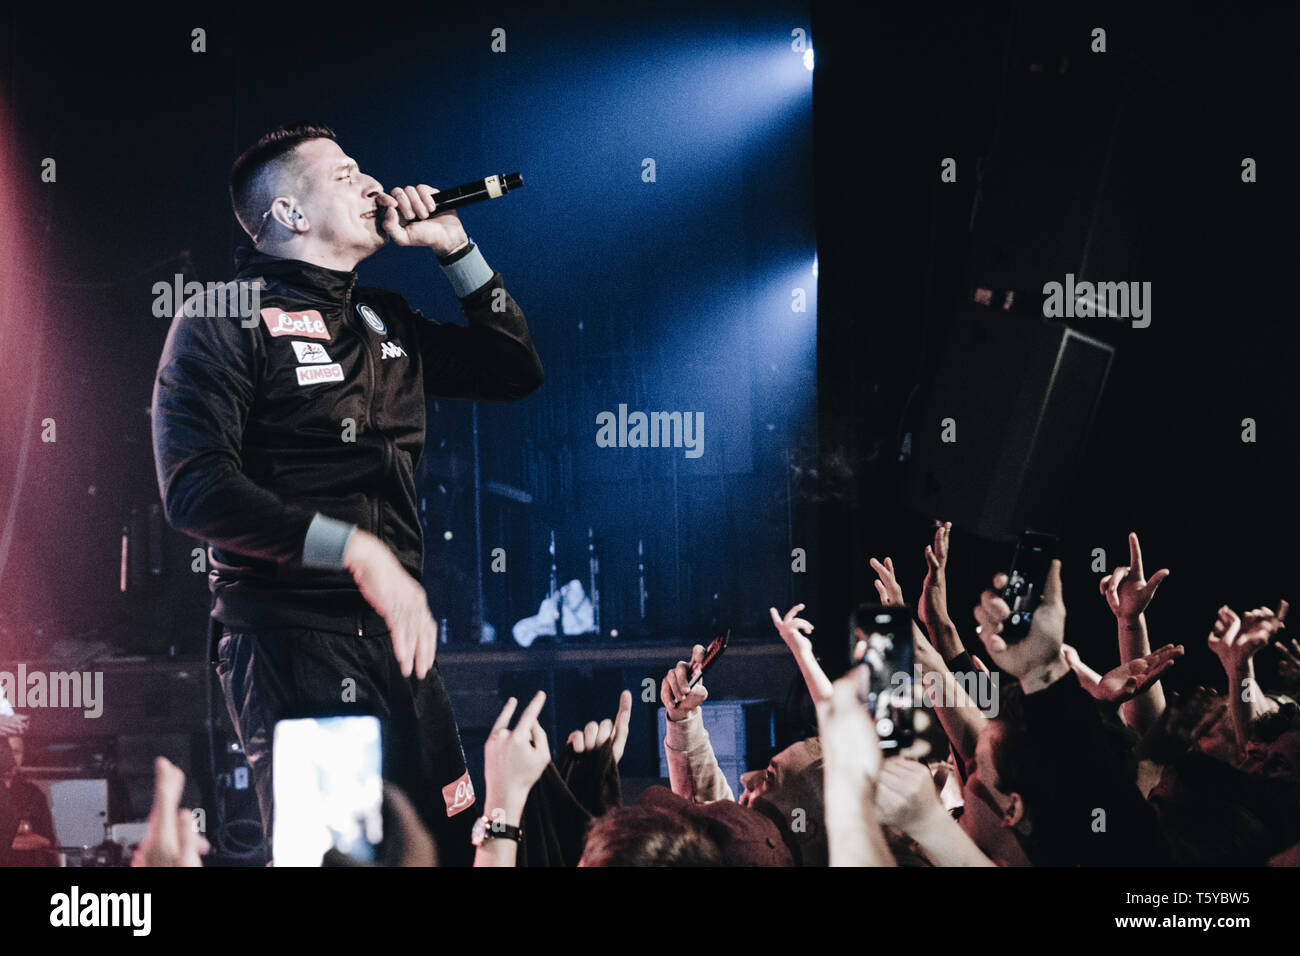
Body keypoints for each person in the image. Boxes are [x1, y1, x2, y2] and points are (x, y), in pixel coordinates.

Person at [151, 122, 544, 864]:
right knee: (342, 857)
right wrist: (355, 549)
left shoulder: (384, 315)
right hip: (293, 637)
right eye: (344, 175)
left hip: (400, 645)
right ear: (291, 215)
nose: (372, 185)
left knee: (443, 844)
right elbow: (194, 489)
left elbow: (513, 371)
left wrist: (455, 248)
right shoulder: (221, 318)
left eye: (365, 170)